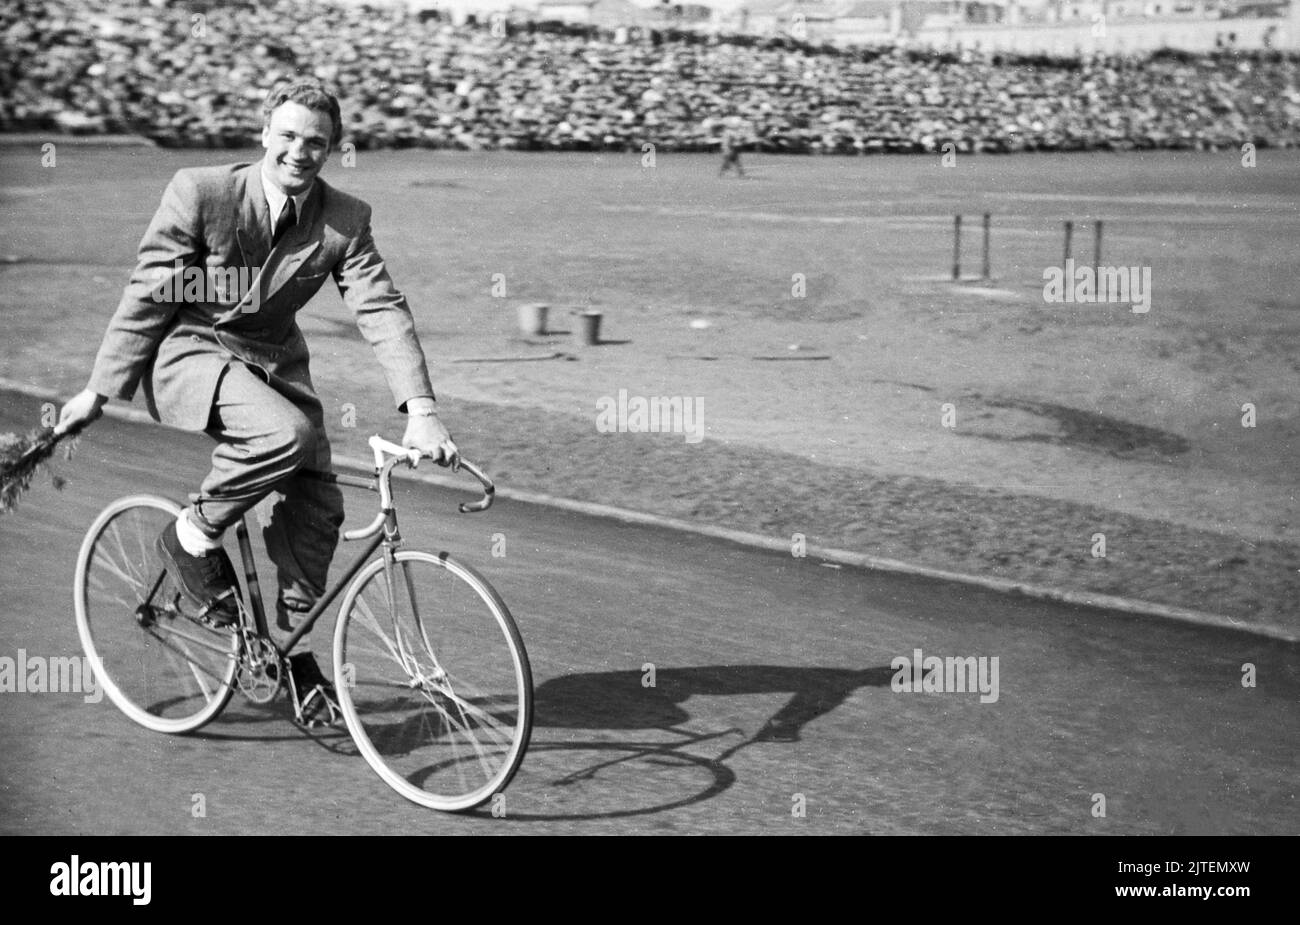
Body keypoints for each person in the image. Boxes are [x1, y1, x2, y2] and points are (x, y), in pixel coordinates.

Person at [57, 79, 457, 724]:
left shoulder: (345, 219)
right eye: (290, 135)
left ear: (332, 150)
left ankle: (285, 650)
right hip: (191, 349)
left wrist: (421, 409)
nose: (300, 152)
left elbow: (380, 308)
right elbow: (150, 294)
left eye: (317, 143)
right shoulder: (202, 191)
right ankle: (190, 535)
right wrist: (99, 389)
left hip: (273, 363)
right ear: (264, 132)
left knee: (320, 505)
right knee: (286, 435)